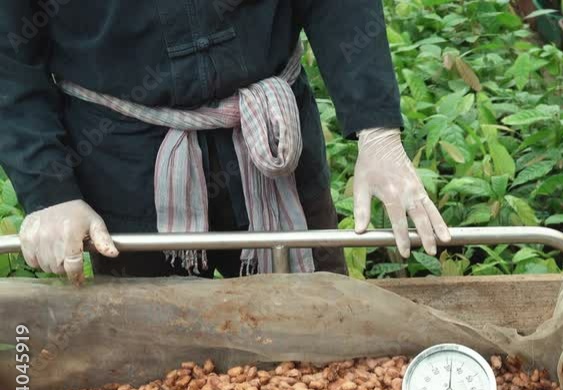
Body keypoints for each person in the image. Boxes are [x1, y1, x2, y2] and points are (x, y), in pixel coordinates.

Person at [0, 1, 450, 283]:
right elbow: (10, 59)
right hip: (123, 160)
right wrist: (50, 192)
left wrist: (378, 133)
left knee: (315, 332)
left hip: (272, 145)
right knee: (153, 354)